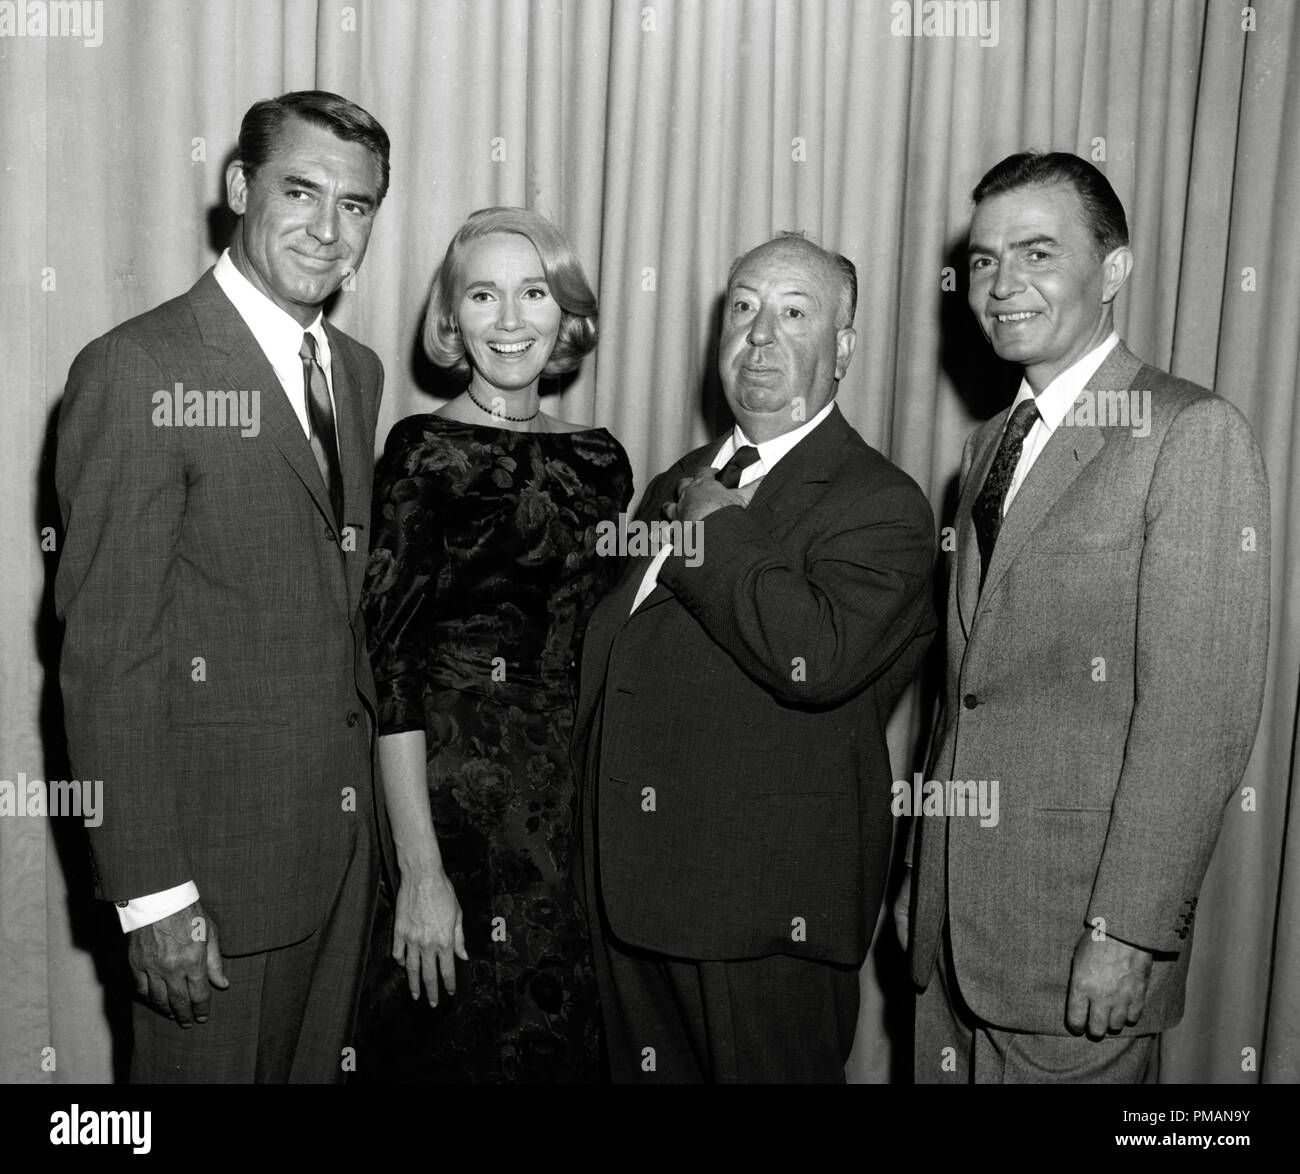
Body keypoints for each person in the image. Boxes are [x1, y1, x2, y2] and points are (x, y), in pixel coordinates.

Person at [896, 151, 1271, 1083]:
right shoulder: (988, 448)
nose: (1002, 285)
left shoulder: (1189, 434)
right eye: (984, 261)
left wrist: (1131, 930)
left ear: (1113, 271)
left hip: (1075, 951)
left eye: (1036, 253)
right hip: (951, 944)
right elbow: (965, 700)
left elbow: (1197, 716)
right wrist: (922, 875)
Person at [54, 91, 391, 1082]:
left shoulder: (357, 373)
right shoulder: (138, 367)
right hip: (211, 888)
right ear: (241, 188)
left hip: (336, 862)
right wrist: (153, 895)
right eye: (302, 191)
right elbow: (108, 658)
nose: (329, 230)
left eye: (358, 204)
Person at [572, 233, 936, 1083]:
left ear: (842, 350)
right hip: (634, 906)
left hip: (762, 925)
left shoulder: (882, 503)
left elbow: (813, 655)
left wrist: (713, 527)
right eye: (742, 308)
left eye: (793, 313)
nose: (759, 335)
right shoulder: (679, 478)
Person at [352, 207, 633, 1083]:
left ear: (567, 315)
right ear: (452, 317)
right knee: (451, 1047)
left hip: (569, 802)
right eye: (483, 294)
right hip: (451, 803)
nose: (510, 321)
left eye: (533, 292)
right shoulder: (422, 451)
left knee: (557, 1041)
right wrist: (421, 867)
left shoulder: (602, 461)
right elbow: (389, 668)